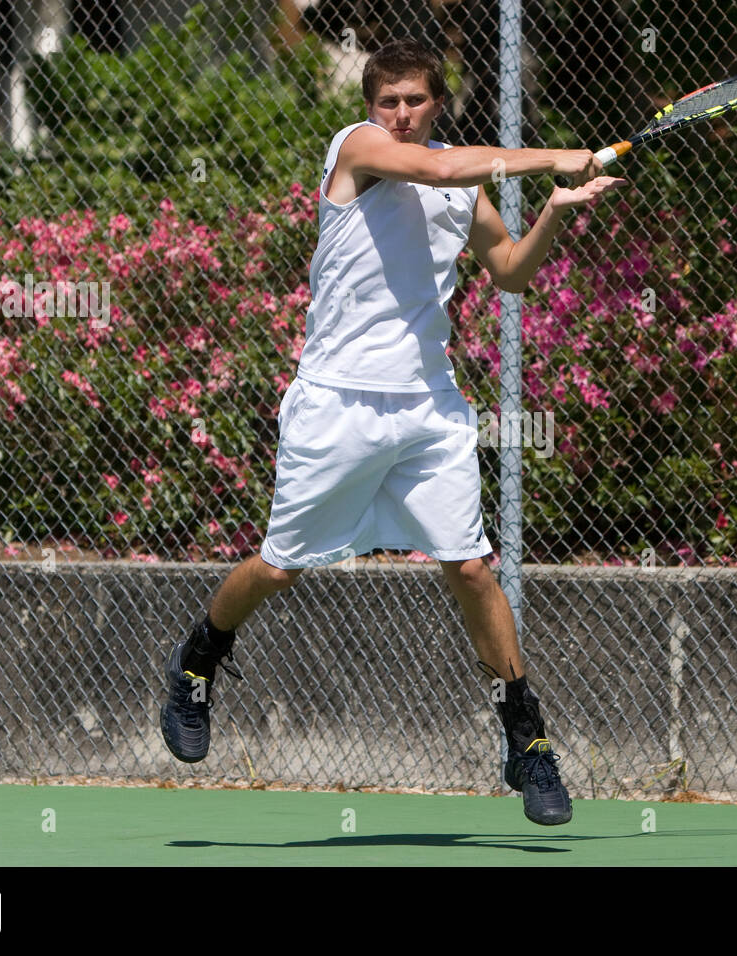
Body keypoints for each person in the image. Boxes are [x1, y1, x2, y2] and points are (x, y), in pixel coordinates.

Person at [160, 38, 624, 825]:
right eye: (388, 102)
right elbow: (440, 169)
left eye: (415, 100)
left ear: (437, 102)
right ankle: (200, 656)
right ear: (371, 110)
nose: (401, 114)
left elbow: (508, 271)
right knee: (277, 570)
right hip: (337, 402)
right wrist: (559, 156)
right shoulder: (360, 151)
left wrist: (553, 208)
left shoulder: (459, 180)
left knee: (473, 569)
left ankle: (527, 736)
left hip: (428, 409)